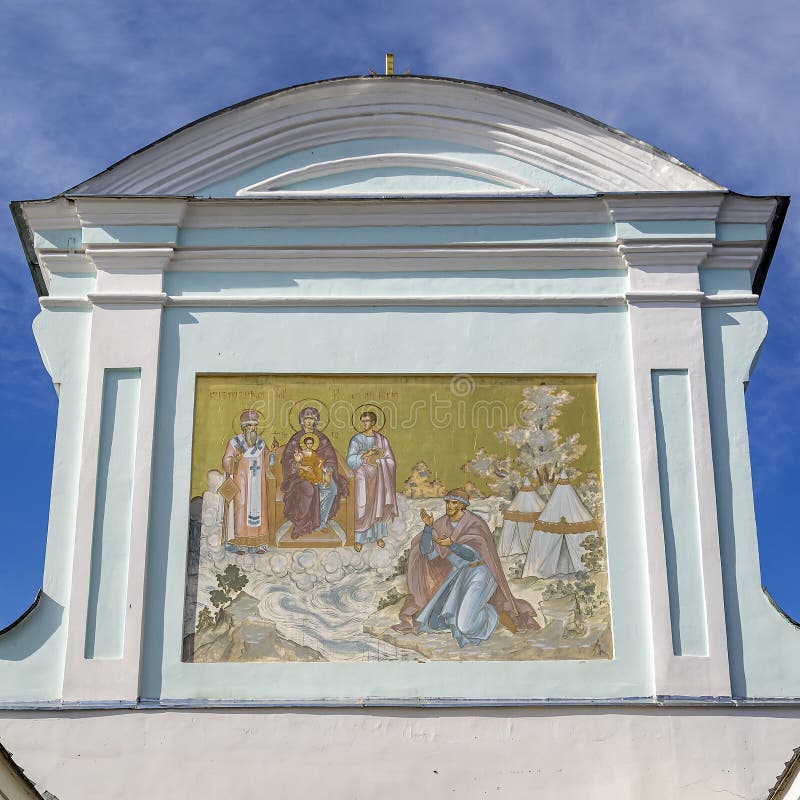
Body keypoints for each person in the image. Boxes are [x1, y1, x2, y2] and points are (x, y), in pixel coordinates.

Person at [395, 488, 540, 645]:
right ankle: (471, 611)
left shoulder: (474, 524)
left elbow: (473, 555)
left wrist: (452, 545)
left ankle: (492, 613)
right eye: (448, 502)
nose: (449, 506)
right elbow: (426, 550)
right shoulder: (441, 524)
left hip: (481, 573)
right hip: (459, 574)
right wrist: (429, 528)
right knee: (434, 622)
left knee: (465, 626)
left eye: (454, 503)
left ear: (463, 505)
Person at [281, 406, 347, 538]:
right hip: (299, 474)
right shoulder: (295, 439)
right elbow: (286, 459)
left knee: (332, 488)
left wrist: (328, 472)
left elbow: (330, 458)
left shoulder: (322, 439)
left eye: (312, 419)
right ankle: (302, 525)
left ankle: (321, 522)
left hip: (319, 471)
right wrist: (298, 463)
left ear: (316, 421)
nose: (309, 422)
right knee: (309, 489)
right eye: (306, 419)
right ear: (301, 421)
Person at [346, 410, 398, 552]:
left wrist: (380, 460)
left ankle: (378, 536)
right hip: (362, 477)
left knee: (377, 505)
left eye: (367, 421)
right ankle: (359, 538)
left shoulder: (382, 440)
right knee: (362, 505)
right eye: (362, 421)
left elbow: (391, 461)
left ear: (373, 422)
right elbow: (350, 460)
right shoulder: (356, 439)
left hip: (379, 477)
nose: (364, 424)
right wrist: (365, 455)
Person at [222, 410, 270, 552]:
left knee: (259, 511)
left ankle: (258, 544)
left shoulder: (261, 443)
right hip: (241, 483)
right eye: (249, 426)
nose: (253, 429)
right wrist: (234, 459)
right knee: (241, 509)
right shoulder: (235, 443)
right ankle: (239, 543)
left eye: (255, 426)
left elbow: (268, 462)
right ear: (243, 427)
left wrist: (272, 454)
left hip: (257, 484)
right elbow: (226, 461)